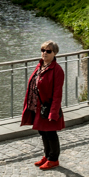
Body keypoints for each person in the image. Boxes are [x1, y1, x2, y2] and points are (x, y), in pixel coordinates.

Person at [24, 40, 67, 170]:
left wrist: (53, 112)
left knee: (50, 133)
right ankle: (47, 156)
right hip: (38, 105)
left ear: (55, 53)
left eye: (48, 51)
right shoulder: (40, 65)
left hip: (48, 107)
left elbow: (57, 93)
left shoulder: (57, 70)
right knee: (42, 131)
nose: (45, 53)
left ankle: (53, 159)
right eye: (43, 50)